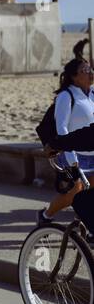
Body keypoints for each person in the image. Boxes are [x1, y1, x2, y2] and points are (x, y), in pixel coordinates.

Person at [41, 40, 94, 223]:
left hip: (91, 152)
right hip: (71, 156)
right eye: (85, 71)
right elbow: (61, 127)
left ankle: (86, 227)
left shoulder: (91, 94)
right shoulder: (67, 96)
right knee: (75, 190)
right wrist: (72, 160)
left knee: (90, 193)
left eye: (90, 70)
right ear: (74, 77)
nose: (90, 73)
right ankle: (46, 216)